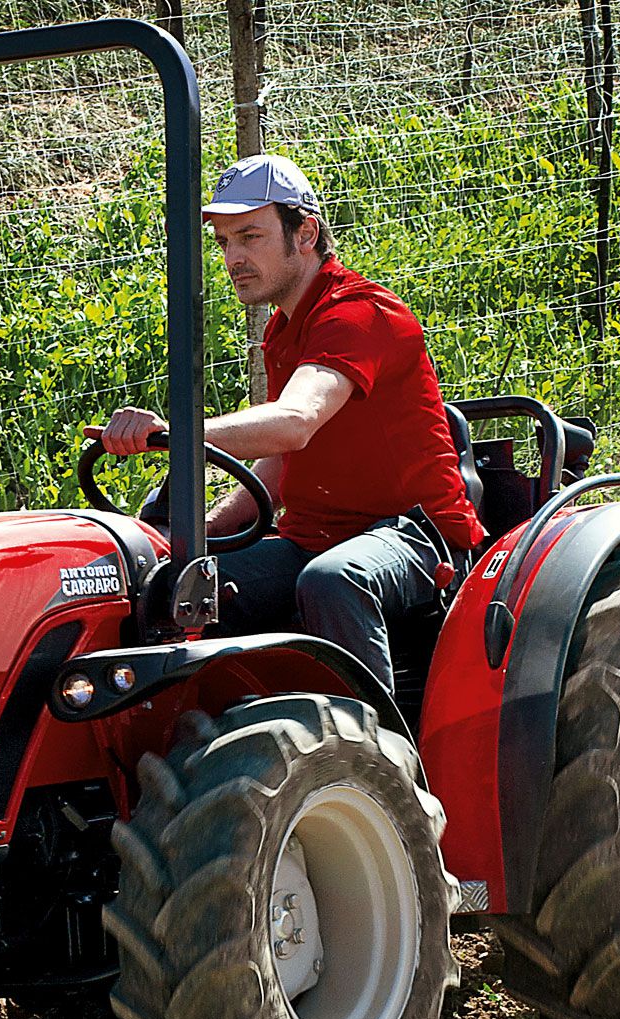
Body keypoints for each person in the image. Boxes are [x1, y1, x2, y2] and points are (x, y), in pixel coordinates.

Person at [94, 155, 487, 688]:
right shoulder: (285, 330)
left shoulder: (359, 314)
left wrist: (173, 433)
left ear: (305, 232)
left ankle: (375, 757)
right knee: (178, 587)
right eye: (224, 242)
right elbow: (284, 458)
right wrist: (207, 530)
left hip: (417, 534)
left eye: (250, 237)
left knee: (334, 581)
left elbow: (296, 421)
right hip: (313, 536)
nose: (233, 258)